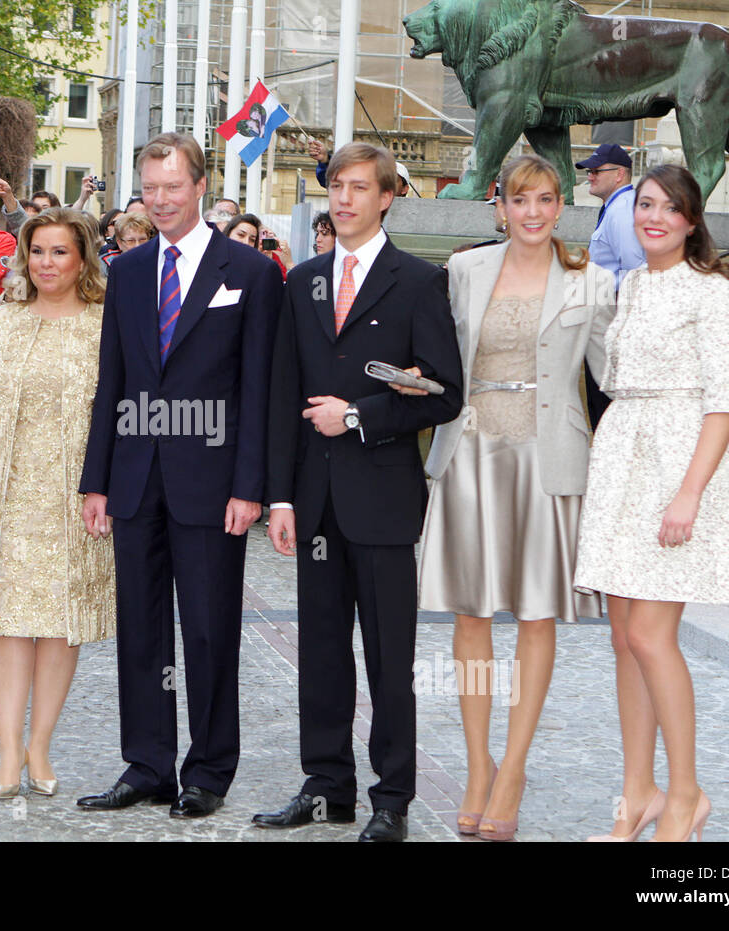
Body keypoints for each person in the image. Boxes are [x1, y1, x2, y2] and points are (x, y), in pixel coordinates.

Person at [253, 142, 463, 842]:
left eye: (358, 187)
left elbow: (444, 392)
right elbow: (283, 390)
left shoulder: (417, 281)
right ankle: (326, 786)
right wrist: (279, 497)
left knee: (387, 656)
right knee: (320, 650)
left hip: (381, 498)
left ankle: (393, 795)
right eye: (335, 186)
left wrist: (361, 415)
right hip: (311, 500)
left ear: (386, 197)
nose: (343, 199)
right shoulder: (303, 279)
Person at [77, 132, 283, 818]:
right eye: (150, 187)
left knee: (208, 626)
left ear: (200, 185)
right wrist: (96, 479)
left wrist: (250, 484)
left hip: (214, 480)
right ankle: (147, 763)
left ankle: (209, 769)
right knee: (139, 626)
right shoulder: (128, 272)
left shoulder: (249, 273)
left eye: (173, 186)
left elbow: (260, 387)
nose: (160, 199)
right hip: (135, 476)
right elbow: (113, 380)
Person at [418, 154, 616, 840]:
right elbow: (440, 360)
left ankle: (515, 767)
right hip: (470, 451)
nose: (532, 213)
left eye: (545, 200)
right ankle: (478, 764)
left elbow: (612, 373)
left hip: (549, 457)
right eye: (519, 201)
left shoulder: (592, 281)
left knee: (536, 614)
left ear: (562, 206)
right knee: (471, 615)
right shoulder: (465, 271)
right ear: (499, 206)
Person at [574, 164, 729, 843]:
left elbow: (724, 401)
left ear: (690, 219)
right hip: (623, 456)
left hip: (677, 464)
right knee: (624, 640)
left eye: (668, 208)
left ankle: (686, 795)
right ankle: (638, 793)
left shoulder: (713, 294)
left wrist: (688, 493)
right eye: (644, 204)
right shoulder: (630, 286)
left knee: (653, 636)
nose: (654, 216)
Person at [0, 208, 115, 799]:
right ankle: (9, 750)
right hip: (6, 497)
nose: (47, 264)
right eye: (38, 252)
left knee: (61, 627)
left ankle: (41, 745)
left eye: (60, 252)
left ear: (82, 258)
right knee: (10, 628)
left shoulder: (104, 325)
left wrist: (107, 487)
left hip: (77, 498)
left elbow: (119, 417)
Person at [576, 143, 644, 429]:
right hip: (604, 316)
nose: (589, 176)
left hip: (612, 318)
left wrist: (622, 325)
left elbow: (633, 269)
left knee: (606, 405)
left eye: (596, 171)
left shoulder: (623, 209)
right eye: (589, 171)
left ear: (620, 174)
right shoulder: (615, 207)